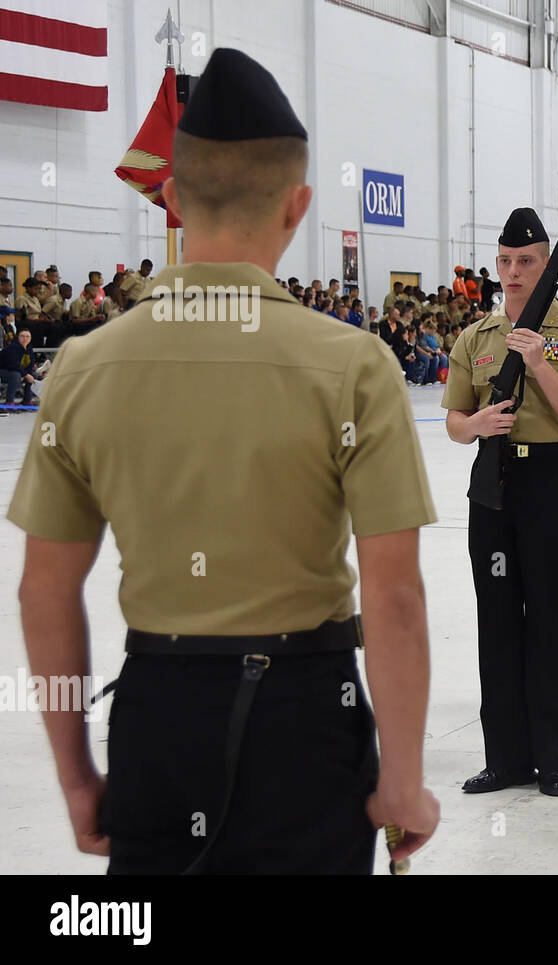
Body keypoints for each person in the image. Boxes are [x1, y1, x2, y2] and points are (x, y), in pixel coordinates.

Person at [6, 47, 440, 875]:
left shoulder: (82, 368)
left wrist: (76, 778)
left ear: (170, 198)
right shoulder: (354, 367)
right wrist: (406, 779)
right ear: (299, 204)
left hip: (157, 715)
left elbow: (43, 589)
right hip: (307, 718)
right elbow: (394, 595)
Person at [443, 207, 558, 797]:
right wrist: (477, 423)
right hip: (494, 487)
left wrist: (538, 362)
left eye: (526, 261)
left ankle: (551, 759)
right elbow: (455, 424)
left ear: (547, 267)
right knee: (498, 621)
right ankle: (504, 758)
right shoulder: (474, 337)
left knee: (550, 621)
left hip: (554, 484)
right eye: (506, 262)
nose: (513, 272)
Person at [0, 326, 44, 406]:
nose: (25, 339)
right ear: (18, 337)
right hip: (4, 370)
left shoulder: (29, 347)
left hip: (16, 371)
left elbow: (31, 364)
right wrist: (25, 375)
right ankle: (9, 401)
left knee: (33, 374)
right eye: (22, 336)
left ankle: (27, 400)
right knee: (15, 375)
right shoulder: (12, 347)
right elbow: (13, 364)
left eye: (27, 336)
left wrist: (26, 374)